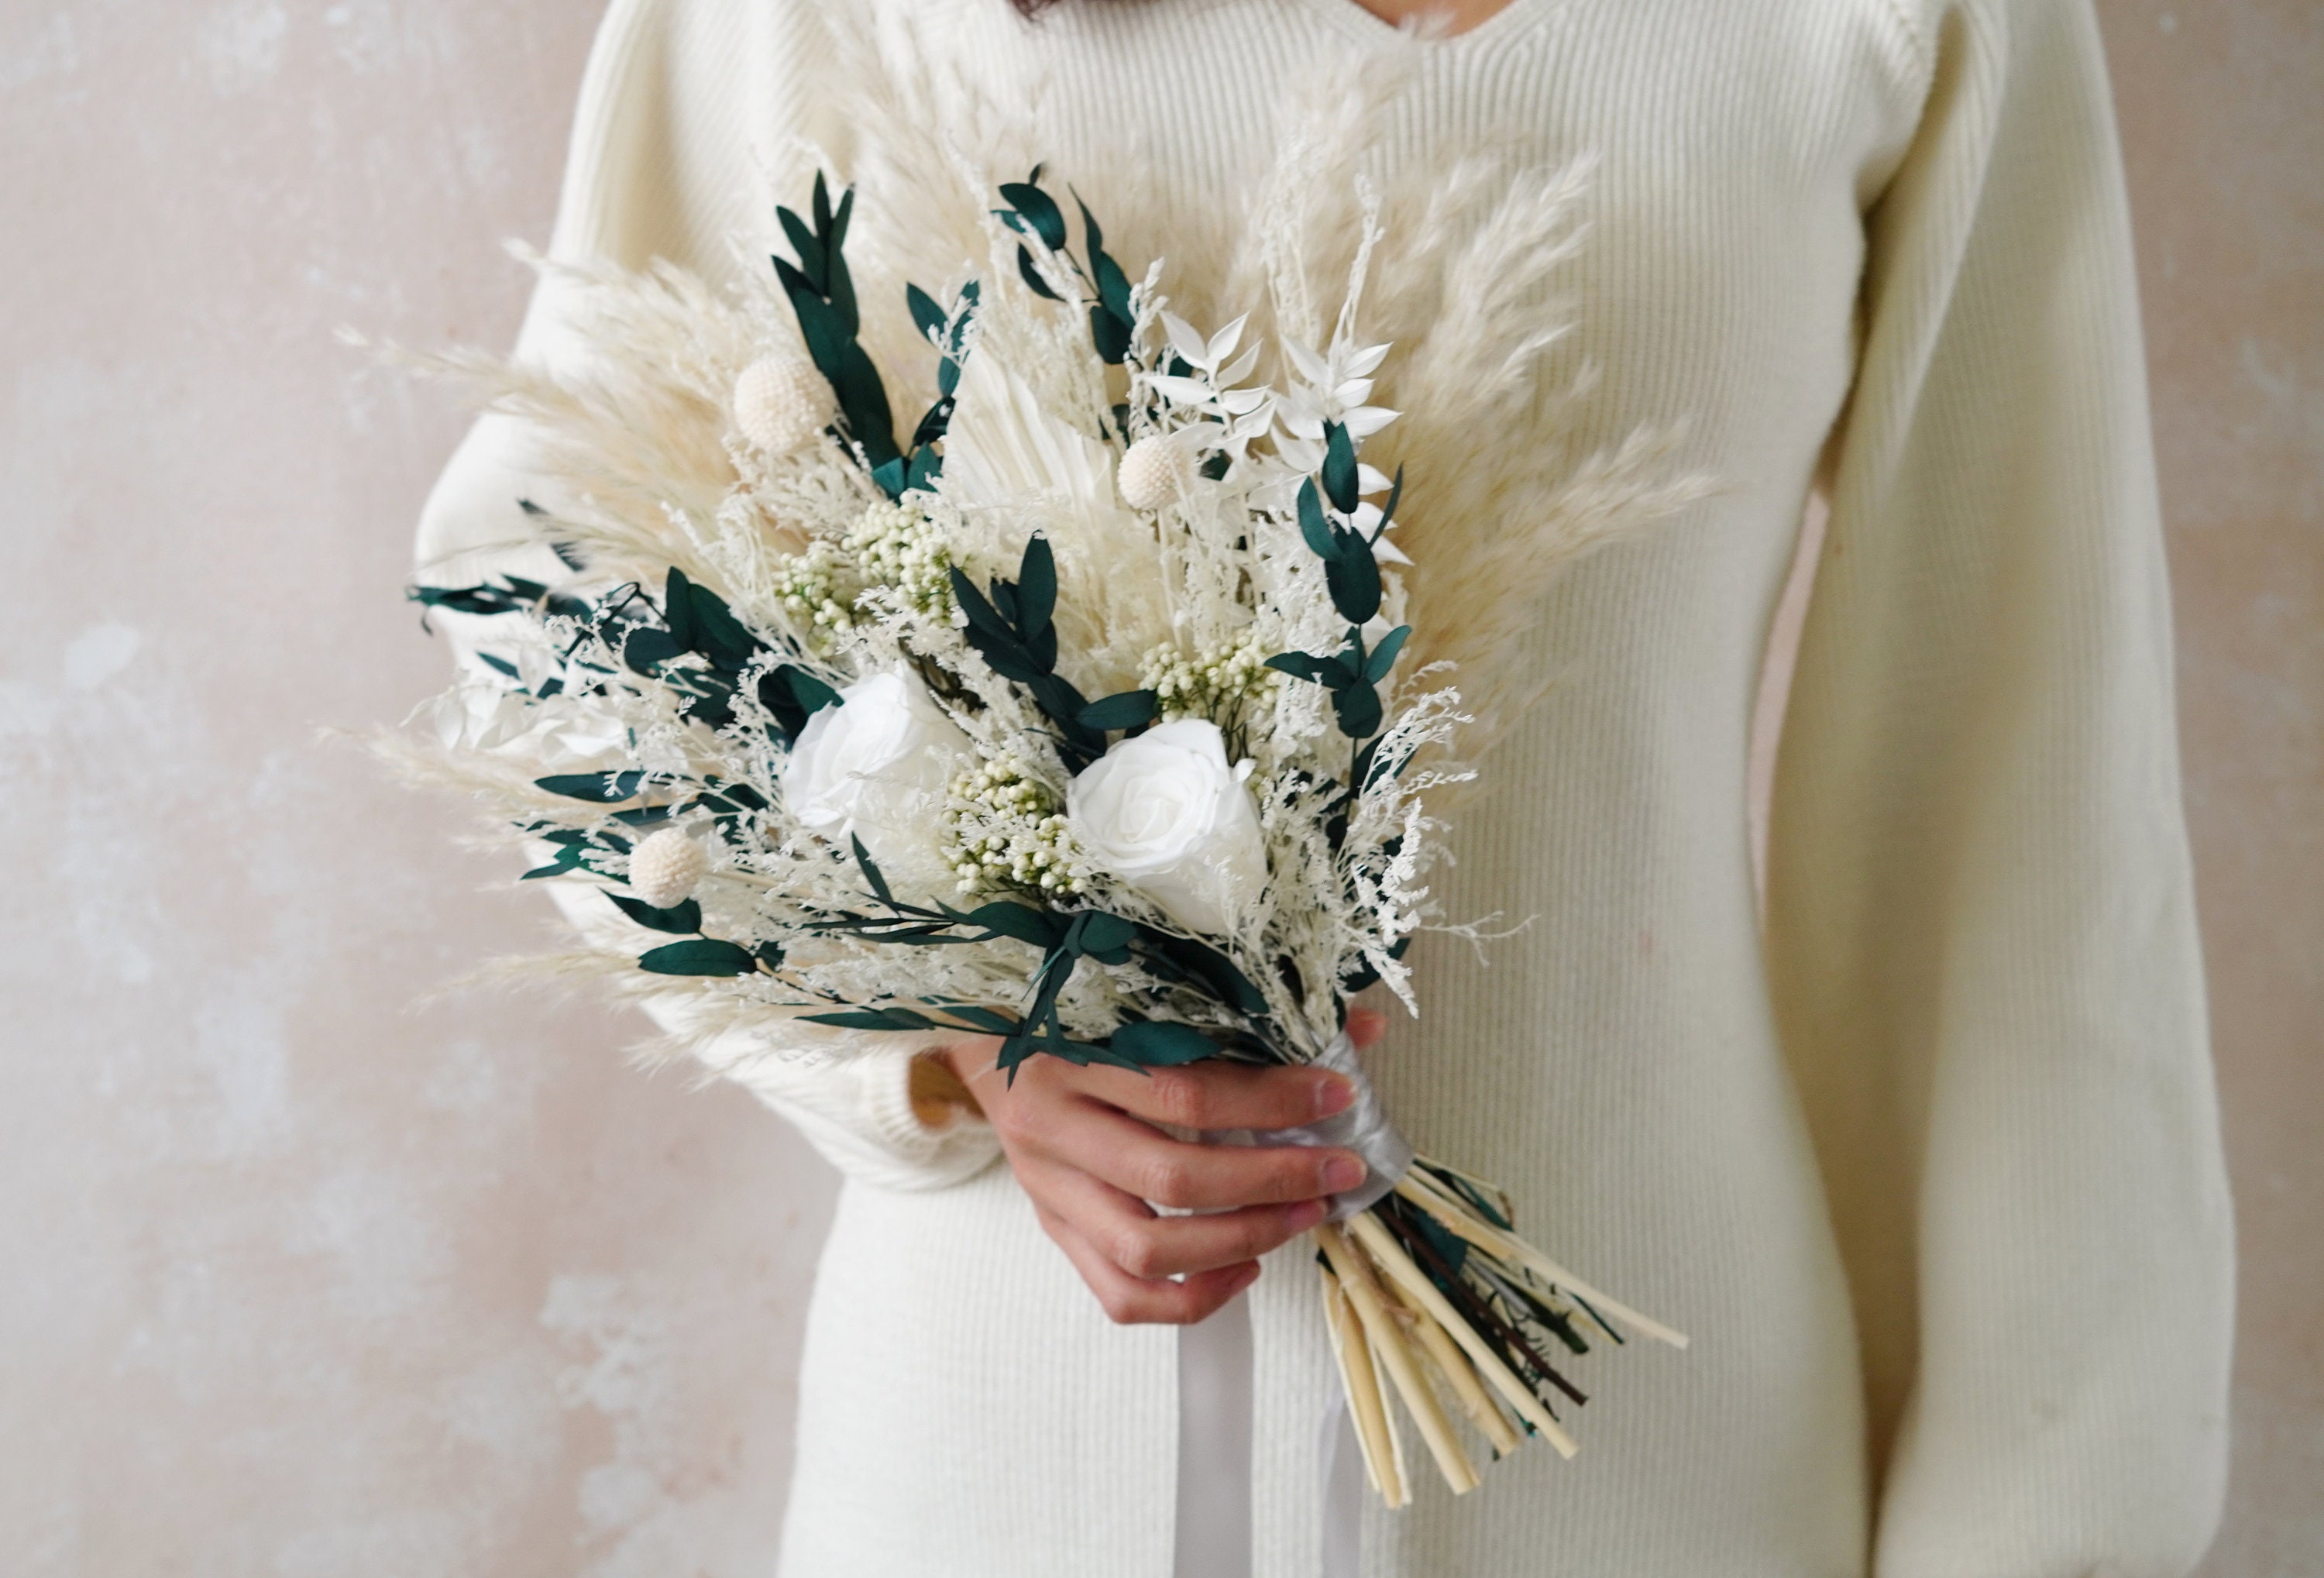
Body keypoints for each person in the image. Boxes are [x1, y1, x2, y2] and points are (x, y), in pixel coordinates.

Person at [414, 0, 2235, 1573]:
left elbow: (2017, 813)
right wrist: (945, 1043)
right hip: (1004, 1456)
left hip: (1660, 1462)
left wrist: (2038, 1524)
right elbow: (558, 596)